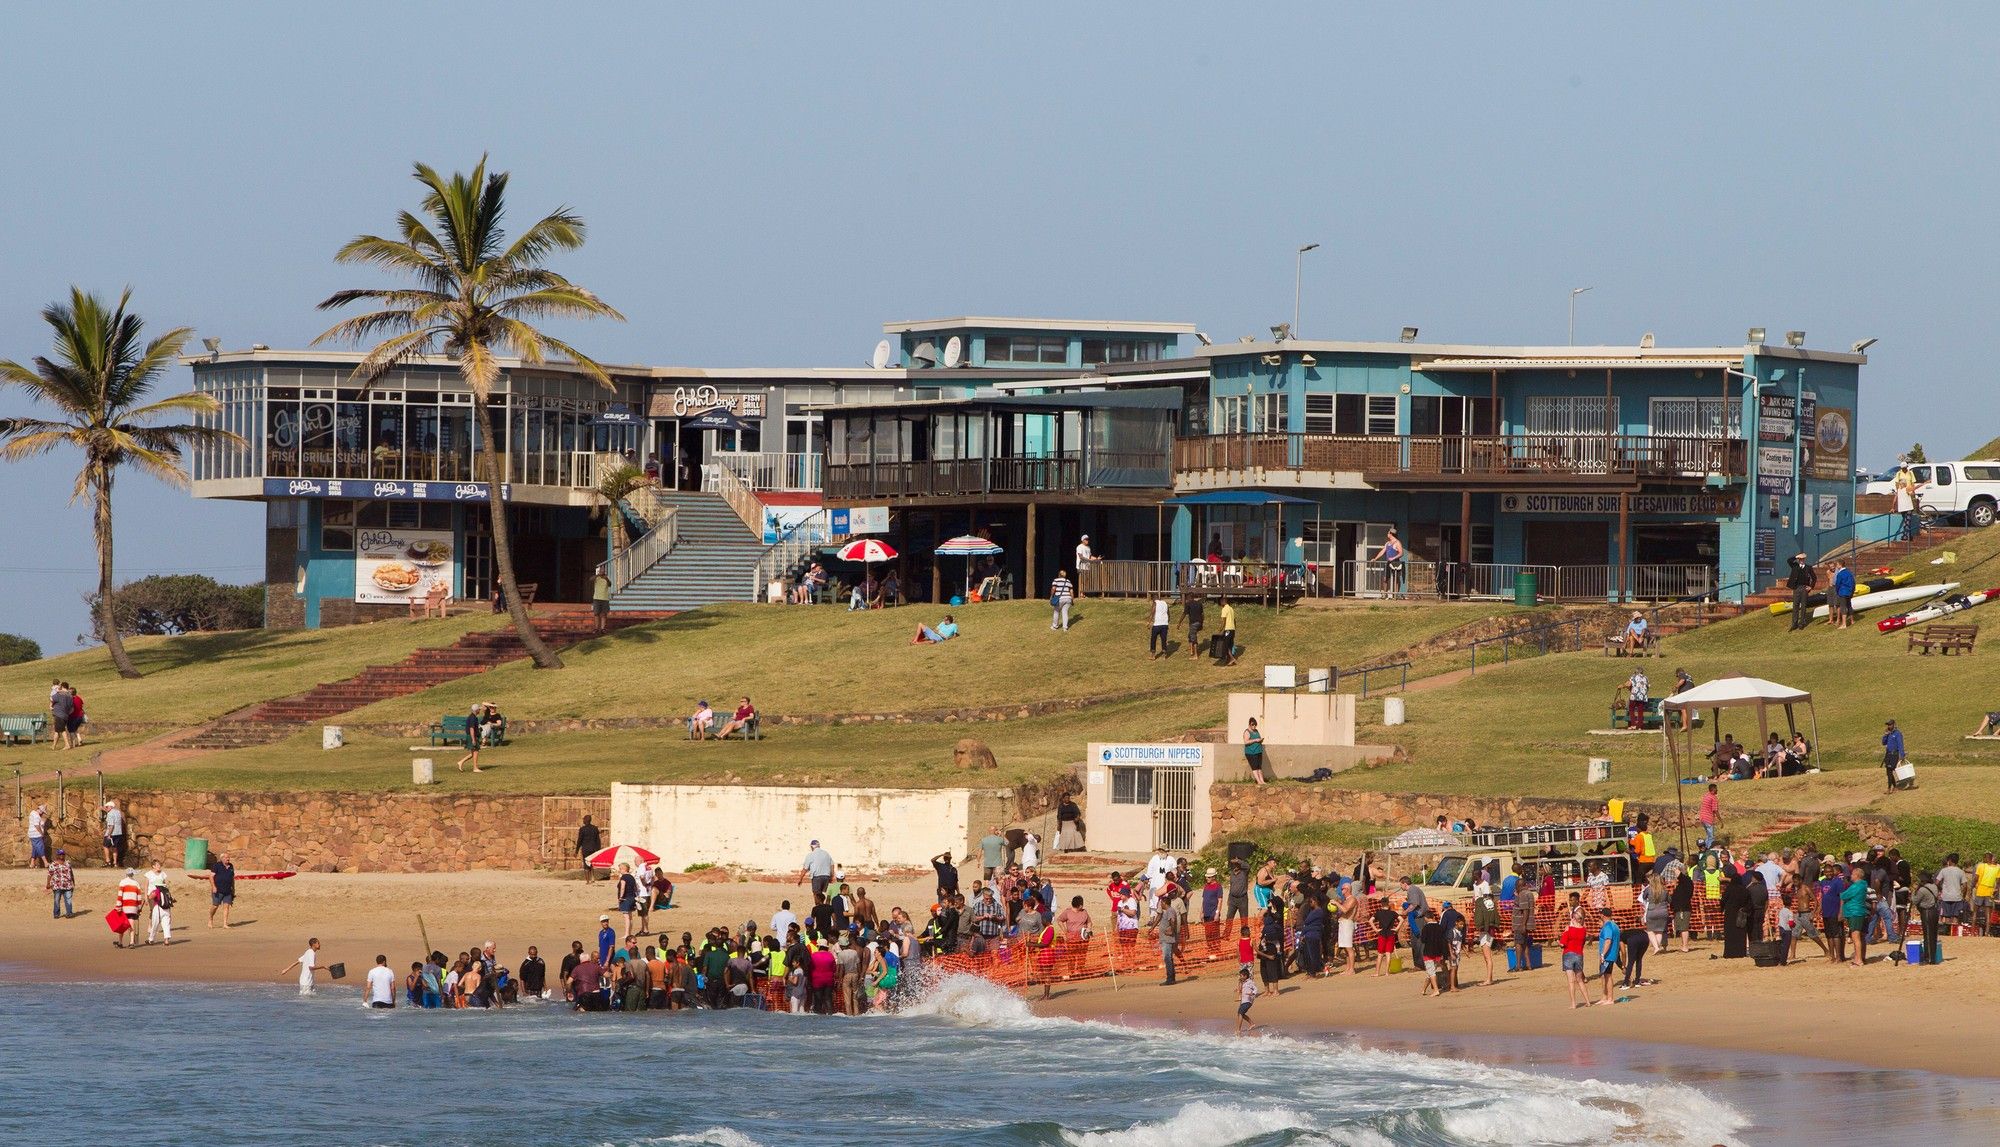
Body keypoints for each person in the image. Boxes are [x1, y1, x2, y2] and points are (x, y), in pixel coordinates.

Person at [1152, 889, 1183, 985]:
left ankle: (1170, 978)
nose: (1160, 904)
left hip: (1167, 939)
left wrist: (1171, 930)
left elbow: (1172, 921)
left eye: (1161, 902)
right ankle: (1171, 977)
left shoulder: (1169, 911)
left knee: (1167, 958)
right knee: (1169, 958)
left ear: (1165, 903)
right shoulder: (1168, 911)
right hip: (1165, 938)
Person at [1785, 553, 1816, 631]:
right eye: (1800, 559)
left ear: (1804, 559)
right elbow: (1789, 560)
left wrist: (1811, 587)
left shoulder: (1808, 567)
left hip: (1804, 588)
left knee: (1803, 605)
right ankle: (1794, 624)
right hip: (1796, 588)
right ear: (1798, 559)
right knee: (1795, 605)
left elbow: (1814, 578)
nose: (1801, 560)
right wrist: (1796, 556)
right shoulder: (1794, 566)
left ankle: (1802, 623)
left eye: (1802, 559)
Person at [1893, 457, 1920, 541]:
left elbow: (1913, 483)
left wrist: (1913, 492)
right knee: (1906, 518)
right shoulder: (1899, 474)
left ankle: (1906, 535)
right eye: (1903, 468)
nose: (1905, 469)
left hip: (1909, 493)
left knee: (1908, 518)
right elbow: (1897, 483)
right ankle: (1908, 535)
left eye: (1905, 468)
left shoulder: (1910, 473)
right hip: (1902, 495)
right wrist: (1899, 491)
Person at [1376, 526, 1405, 598]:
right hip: (1388, 563)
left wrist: (1393, 558)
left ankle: (1395, 594)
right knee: (1385, 578)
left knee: (1396, 579)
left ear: (1391, 534)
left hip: (1396, 563)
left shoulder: (1397, 542)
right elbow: (1383, 551)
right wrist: (1375, 558)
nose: (1387, 534)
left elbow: (1401, 553)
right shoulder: (1387, 543)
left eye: (1388, 533)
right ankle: (1385, 594)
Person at [45, 849, 74, 919]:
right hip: (57, 885)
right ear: (57, 855)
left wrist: (73, 883)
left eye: (63, 854)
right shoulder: (53, 864)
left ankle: (69, 913)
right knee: (57, 900)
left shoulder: (68, 864)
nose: (61, 856)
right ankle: (56, 914)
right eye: (60, 854)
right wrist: (48, 884)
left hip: (67, 885)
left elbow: (71, 874)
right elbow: (49, 875)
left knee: (68, 900)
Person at [1830, 559, 1856, 629]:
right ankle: (1852, 620)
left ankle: (1844, 624)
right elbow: (1853, 582)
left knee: (1843, 607)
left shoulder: (1840, 574)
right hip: (1849, 592)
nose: (1836, 566)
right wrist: (1852, 591)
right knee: (1849, 605)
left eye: (1837, 565)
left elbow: (1837, 584)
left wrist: (1838, 591)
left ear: (1840, 565)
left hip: (1842, 592)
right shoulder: (1849, 572)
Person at [1883, 719, 1907, 792]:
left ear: (1894, 724)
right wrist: (1885, 735)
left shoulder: (1897, 734)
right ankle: (1895, 787)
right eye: (1888, 725)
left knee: (1890, 770)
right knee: (1888, 772)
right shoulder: (1888, 734)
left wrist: (1902, 755)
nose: (1889, 726)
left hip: (1894, 755)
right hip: (1888, 755)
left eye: (1890, 724)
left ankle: (1889, 788)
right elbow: (1883, 743)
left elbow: (1900, 745)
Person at [575, 814, 603, 879]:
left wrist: (576, 850)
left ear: (585, 820)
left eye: (583, 819)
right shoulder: (595, 828)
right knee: (592, 863)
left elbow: (579, 840)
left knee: (586, 863)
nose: (583, 820)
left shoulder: (582, 829)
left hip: (585, 849)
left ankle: (587, 880)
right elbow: (598, 840)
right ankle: (592, 878)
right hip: (593, 849)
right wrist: (598, 850)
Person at [1235, 966, 1261, 1034]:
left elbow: (1256, 989)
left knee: (1240, 1013)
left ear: (1245, 976)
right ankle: (1251, 1023)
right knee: (1240, 1014)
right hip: (1243, 1001)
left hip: (1248, 1001)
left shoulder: (1250, 982)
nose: (1240, 977)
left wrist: (1252, 993)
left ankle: (1238, 1030)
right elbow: (1240, 990)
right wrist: (1238, 988)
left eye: (1241, 976)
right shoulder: (1243, 982)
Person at [1242, 717, 1267, 786]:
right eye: (1252, 725)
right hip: (1251, 752)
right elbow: (1246, 742)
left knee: (1259, 767)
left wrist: (1260, 740)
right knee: (1254, 767)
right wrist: (1255, 740)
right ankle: (1258, 781)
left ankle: (1262, 781)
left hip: (1258, 751)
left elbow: (1257, 738)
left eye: (1255, 725)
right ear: (1249, 724)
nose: (1254, 726)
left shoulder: (1256, 731)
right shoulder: (1247, 732)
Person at [1697, 783, 1721, 850]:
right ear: (1713, 790)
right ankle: (1709, 849)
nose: (1717, 790)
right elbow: (1715, 810)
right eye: (1716, 789)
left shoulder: (1706, 795)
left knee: (1708, 835)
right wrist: (1721, 820)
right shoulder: (1713, 798)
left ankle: (1705, 848)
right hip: (1708, 819)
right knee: (1711, 837)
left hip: (1702, 818)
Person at [102, 799, 125, 868]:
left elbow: (111, 825)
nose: (106, 808)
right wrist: (103, 809)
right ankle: (115, 863)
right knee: (115, 847)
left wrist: (109, 834)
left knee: (105, 846)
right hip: (118, 833)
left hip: (112, 833)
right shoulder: (117, 812)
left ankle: (108, 861)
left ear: (111, 807)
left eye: (107, 807)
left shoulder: (110, 814)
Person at [1214, 600, 1237, 665]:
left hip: (1228, 629)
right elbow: (1234, 620)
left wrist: (1220, 629)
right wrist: (1234, 628)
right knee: (1230, 645)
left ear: (1222, 602)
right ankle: (1228, 660)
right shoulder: (1231, 609)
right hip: (1232, 629)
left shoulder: (1224, 609)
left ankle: (1232, 658)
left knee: (1225, 645)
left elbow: (1223, 621)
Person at [27, 800, 48, 869]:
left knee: (35, 848)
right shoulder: (36, 816)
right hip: (36, 834)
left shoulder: (32, 813)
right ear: (40, 810)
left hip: (32, 833)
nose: (42, 814)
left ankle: (32, 863)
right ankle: (45, 862)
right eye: (42, 812)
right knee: (40, 847)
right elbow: (36, 825)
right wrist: (41, 833)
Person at [590, 565, 611, 634]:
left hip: (605, 598)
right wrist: (597, 575)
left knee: (604, 614)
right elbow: (590, 579)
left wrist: (606, 579)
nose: (602, 571)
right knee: (596, 614)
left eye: (603, 570)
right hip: (596, 598)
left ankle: (603, 628)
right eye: (601, 570)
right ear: (599, 571)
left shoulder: (606, 578)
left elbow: (610, 584)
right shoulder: (596, 578)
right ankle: (596, 628)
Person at [1183, 594, 1205, 659]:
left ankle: (1196, 655)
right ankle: (1191, 650)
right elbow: (1202, 614)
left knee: (1193, 638)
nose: (1186, 600)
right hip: (1199, 622)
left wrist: (1179, 623)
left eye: (1187, 598)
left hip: (1193, 623)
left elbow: (1184, 614)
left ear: (1189, 598)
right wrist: (1201, 623)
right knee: (1190, 635)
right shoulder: (1199, 603)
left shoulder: (1188, 604)